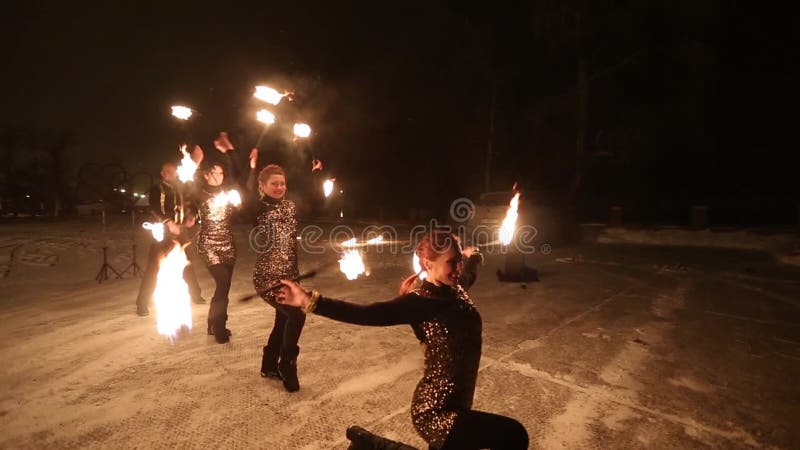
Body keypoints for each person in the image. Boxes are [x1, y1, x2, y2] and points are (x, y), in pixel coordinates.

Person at [277, 230, 529, 450]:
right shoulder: (419, 303)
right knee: (514, 435)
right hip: (437, 412)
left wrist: (471, 258)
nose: (458, 269)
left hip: (459, 402)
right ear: (428, 264)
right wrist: (309, 301)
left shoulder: (454, 288)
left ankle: (366, 443)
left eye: (459, 261)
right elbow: (366, 314)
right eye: (452, 263)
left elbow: (466, 278)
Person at [247, 149, 305, 392]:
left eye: (282, 183)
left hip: (290, 275)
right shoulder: (257, 208)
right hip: (267, 278)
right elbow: (247, 191)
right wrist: (250, 167)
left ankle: (269, 363)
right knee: (297, 315)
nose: (279, 187)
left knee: (283, 319)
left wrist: (305, 152)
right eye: (274, 184)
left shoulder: (291, 206)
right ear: (262, 185)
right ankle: (287, 365)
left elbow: (311, 191)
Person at [192, 132, 243, 343]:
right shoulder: (199, 192)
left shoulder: (229, 191)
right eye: (213, 173)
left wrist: (230, 151)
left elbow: (239, 173)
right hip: (208, 244)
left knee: (224, 288)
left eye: (221, 173)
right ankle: (219, 327)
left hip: (228, 244)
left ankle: (213, 323)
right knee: (222, 283)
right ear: (205, 175)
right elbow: (186, 183)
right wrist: (195, 161)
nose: (218, 176)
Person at [135, 161, 204, 316]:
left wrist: (192, 217)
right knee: (154, 267)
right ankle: (142, 303)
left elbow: (192, 205)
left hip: (182, 231)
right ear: (162, 173)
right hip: (164, 233)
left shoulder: (183, 188)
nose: (170, 173)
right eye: (166, 171)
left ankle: (196, 295)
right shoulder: (156, 189)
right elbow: (153, 207)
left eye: (172, 171)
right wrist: (168, 222)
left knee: (186, 263)